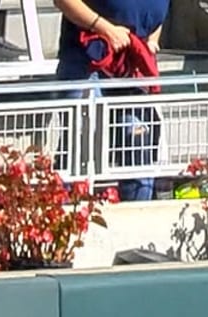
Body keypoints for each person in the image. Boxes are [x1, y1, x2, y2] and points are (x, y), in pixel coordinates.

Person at [53, 0, 167, 200]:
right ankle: (62, 213)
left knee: (138, 139)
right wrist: (105, 28)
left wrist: (152, 40)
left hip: (131, 62)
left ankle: (136, 218)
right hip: (86, 58)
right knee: (80, 142)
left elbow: (157, 12)